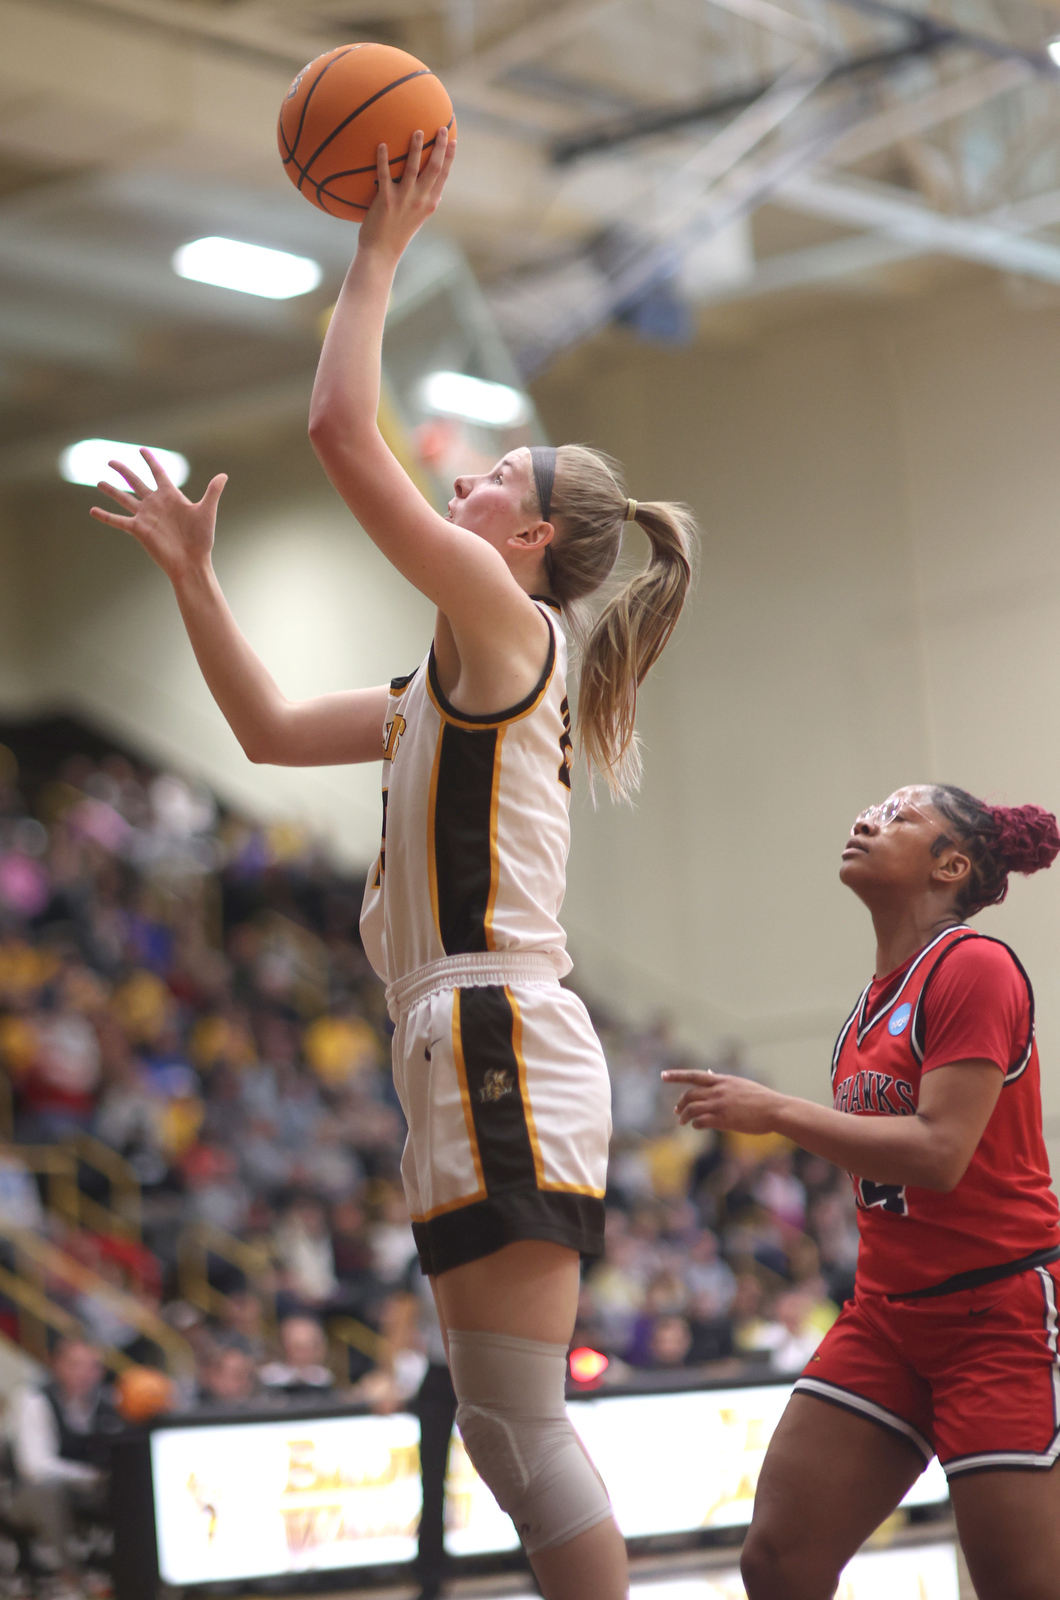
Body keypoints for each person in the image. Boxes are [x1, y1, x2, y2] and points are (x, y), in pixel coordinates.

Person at [88, 125, 695, 1600]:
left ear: (529, 533)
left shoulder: (507, 624)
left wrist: (374, 251)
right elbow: (262, 721)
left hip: (493, 1023)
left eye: (489, 477)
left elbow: (343, 439)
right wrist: (194, 579)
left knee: (522, 1425)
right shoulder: (440, 685)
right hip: (455, 1032)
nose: (466, 485)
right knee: (497, 1426)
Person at [664, 786, 1060, 1600]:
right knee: (777, 1560)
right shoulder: (870, 1003)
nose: (866, 821)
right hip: (887, 1316)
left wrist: (776, 1110)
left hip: (998, 1316)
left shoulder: (975, 966)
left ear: (950, 866)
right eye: (871, 810)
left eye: (898, 817)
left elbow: (941, 1153)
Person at [5, 1337, 114, 1589]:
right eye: (76, 1364)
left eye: (92, 1366)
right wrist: (89, 1476)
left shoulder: (107, 1401)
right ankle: (73, 1575)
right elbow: (34, 1468)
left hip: (88, 1489)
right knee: (50, 1494)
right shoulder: (33, 1399)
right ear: (56, 1365)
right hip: (28, 1495)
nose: (85, 1373)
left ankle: (124, 1565)